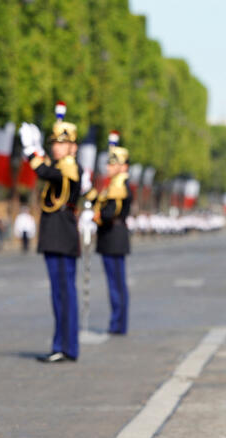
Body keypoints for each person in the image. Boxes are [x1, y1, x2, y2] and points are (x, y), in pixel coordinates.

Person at [20, 102, 82, 363]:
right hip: (57, 236)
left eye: (61, 143)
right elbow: (48, 170)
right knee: (60, 294)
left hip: (61, 237)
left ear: (72, 147)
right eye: (54, 142)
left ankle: (64, 346)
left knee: (63, 294)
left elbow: (45, 171)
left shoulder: (68, 167)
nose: (56, 146)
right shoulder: (62, 166)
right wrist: (37, 151)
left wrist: (31, 150)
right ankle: (64, 345)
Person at [92, 132, 132, 335]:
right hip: (113, 237)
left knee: (116, 284)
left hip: (113, 236)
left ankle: (118, 323)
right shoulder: (115, 185)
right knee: (115, 283)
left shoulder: (119, 185)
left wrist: (95, 216)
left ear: (123, 166)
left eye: (112, 164)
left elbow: (109, 213)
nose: (108, 167)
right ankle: (118, 322)